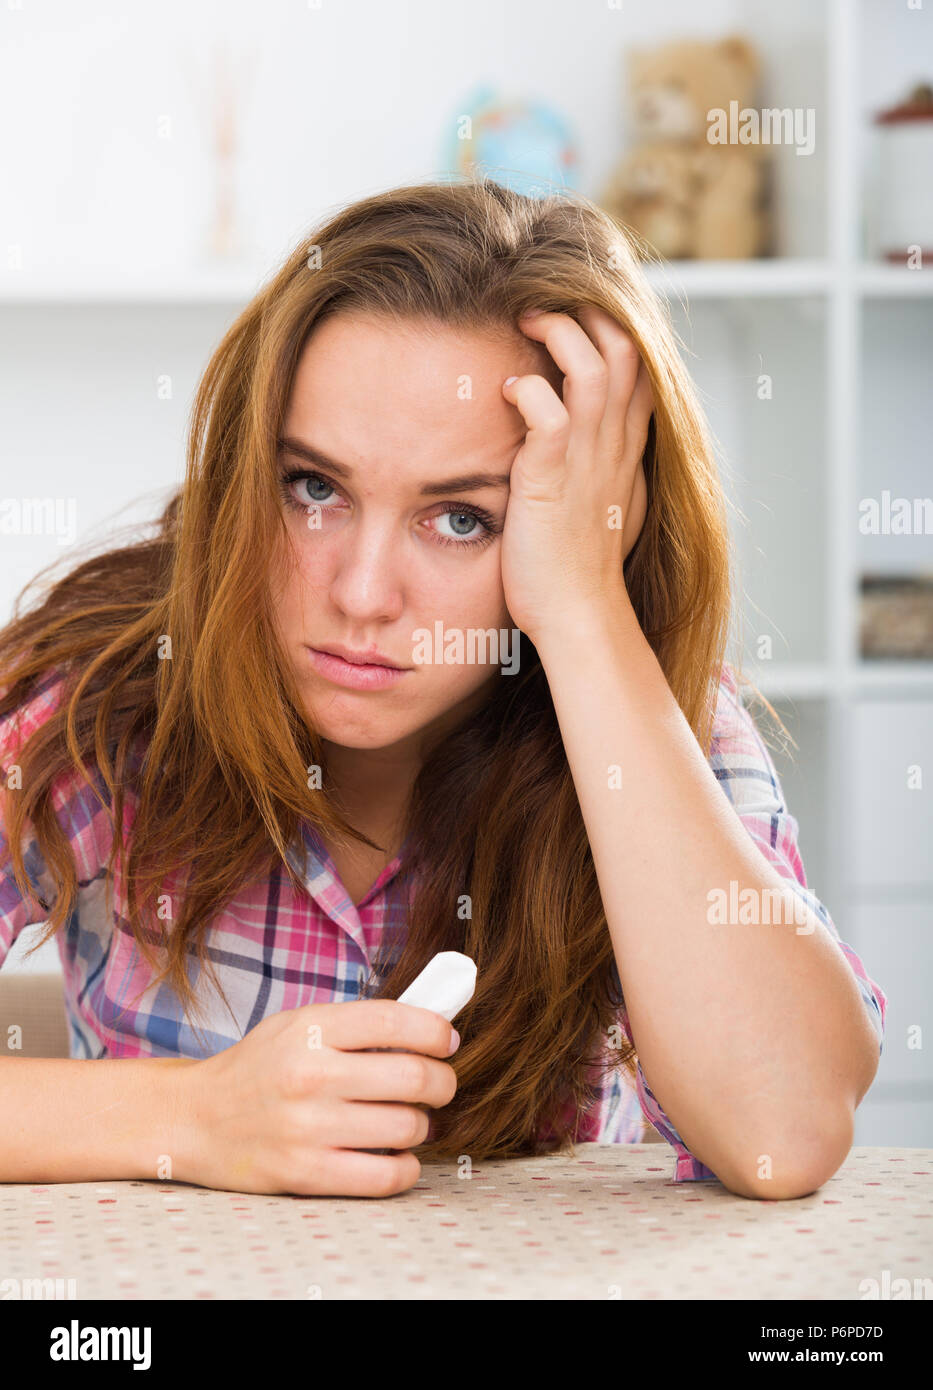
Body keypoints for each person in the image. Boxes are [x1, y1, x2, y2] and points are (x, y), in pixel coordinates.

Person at [0, 177, 886, 1199]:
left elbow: (787, 1130)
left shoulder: (649, 716)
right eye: (314, 489)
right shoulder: (105, 695)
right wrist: (192, 1118)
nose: (363, 594)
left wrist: (587, 615)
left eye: (462, 517)